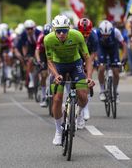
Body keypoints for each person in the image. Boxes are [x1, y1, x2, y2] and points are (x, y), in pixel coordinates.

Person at [44, 15, 94, 145]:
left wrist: (89, 77)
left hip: (75, 64)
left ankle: (79, 112)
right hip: (58, 65)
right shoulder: (48, 39)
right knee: (57, 98)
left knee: (83, 95)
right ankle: (58, 131)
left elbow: (87, 58)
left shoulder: (77, 36)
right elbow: (49, 61)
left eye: (64, 31)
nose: (61, 34)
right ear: (54, 30)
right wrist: (56, 75)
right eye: (58, 31)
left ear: (68, 29)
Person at [96, 20, 127, 101]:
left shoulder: (116, 32)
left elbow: (124, 44)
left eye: (107, 35)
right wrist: (95, 60)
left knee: (116, 71)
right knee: (101, 68)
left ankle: (115, 92)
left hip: (113, 50)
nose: (105, 37)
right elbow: (93, 48)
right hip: (102, 49)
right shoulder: (96, 33)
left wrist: (124, 56)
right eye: (104, 35)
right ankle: (102, 90)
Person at [77, 18, 99, 120]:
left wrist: (88, 63)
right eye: (83, 33)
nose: (85, 35)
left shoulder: (94, 37)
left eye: (87, 33)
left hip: (89, 56)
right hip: (77, 56)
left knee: (86, 77)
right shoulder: (74, 36)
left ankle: (85, 107)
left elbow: (94, 54)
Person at [35, 23, 52, 107]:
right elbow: (37, 51)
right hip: (43, 54)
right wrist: (38, 61)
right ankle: (43, 96)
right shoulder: (41, 37)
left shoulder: (57, 37)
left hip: (53, 54)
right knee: (44, 74)